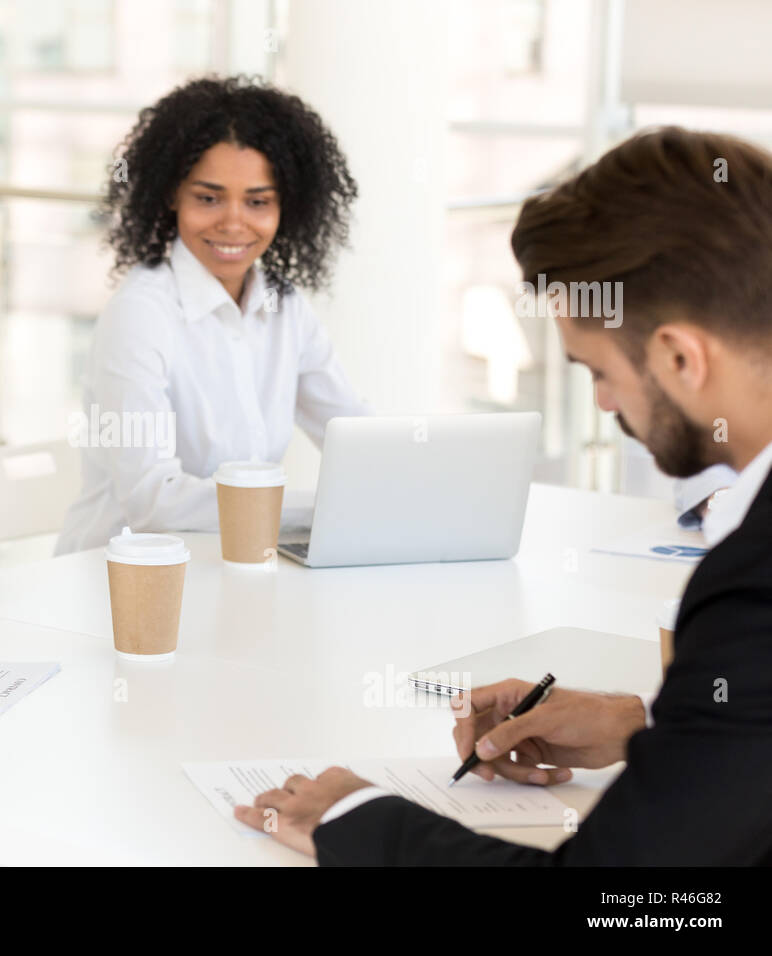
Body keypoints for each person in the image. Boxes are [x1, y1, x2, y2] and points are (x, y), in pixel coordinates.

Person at [235, 127, 772, 864]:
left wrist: (362, 816)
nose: (608, 403)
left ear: (681, 356)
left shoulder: (753, 585)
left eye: (596, 371)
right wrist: (647, 724)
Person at [55, 76, 371, 554]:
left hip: (232, 563)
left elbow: (352, 433)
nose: (233, 222)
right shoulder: (140, 315)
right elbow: (153, 500)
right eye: (208, 198)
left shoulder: (283, 308)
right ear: (171, 195)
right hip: (122, 582)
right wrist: (323, 509)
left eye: (258, 201)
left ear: (288, 207)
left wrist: (405, 483)